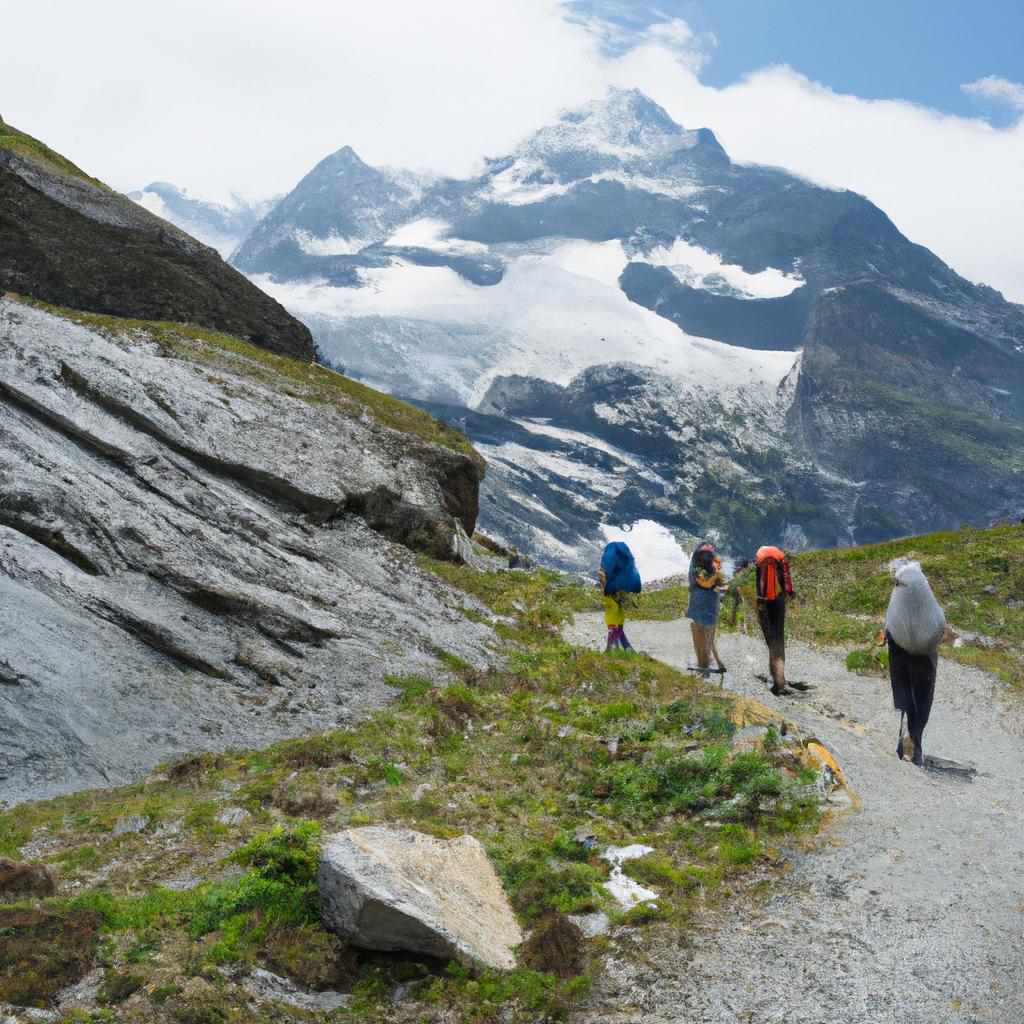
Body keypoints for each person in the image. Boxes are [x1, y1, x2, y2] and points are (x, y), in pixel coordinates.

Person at [883, 560, 945, 766]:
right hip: (924, 658)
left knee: (904, 696)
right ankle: (916, 746)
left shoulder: (898, 598)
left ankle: (903, 744)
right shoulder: (924, 599)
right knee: (923, 698)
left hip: (898, 652)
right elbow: (939, 624)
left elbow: (889, 623)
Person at [754, 545, 796, 695]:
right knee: (778, 640)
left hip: (764, 603)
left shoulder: (760, 562)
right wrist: (790, 594)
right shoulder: (781, 561)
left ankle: (777, 682)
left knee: (770, 641)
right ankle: (780, 680)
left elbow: (758, 585)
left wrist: (759, 603)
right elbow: (787, 581)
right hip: (779, 603)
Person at [686, 541, 727, 672]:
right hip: (708, 602)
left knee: (700, 632)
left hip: (700, 601)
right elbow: (708, 584)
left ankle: (703, 663)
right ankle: (706, 662)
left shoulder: (697, 565)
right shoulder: (707, 566)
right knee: (707, 632)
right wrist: (717, 579)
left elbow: (706, 583)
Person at [599, 541, 641, 652]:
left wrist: (603, 583)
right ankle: (622, 646)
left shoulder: (609, 556)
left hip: (611, 590)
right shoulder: (628, 566)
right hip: (626, 590)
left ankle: (614, 648)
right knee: (619, 614)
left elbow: (603, 574)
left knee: (611, 613)